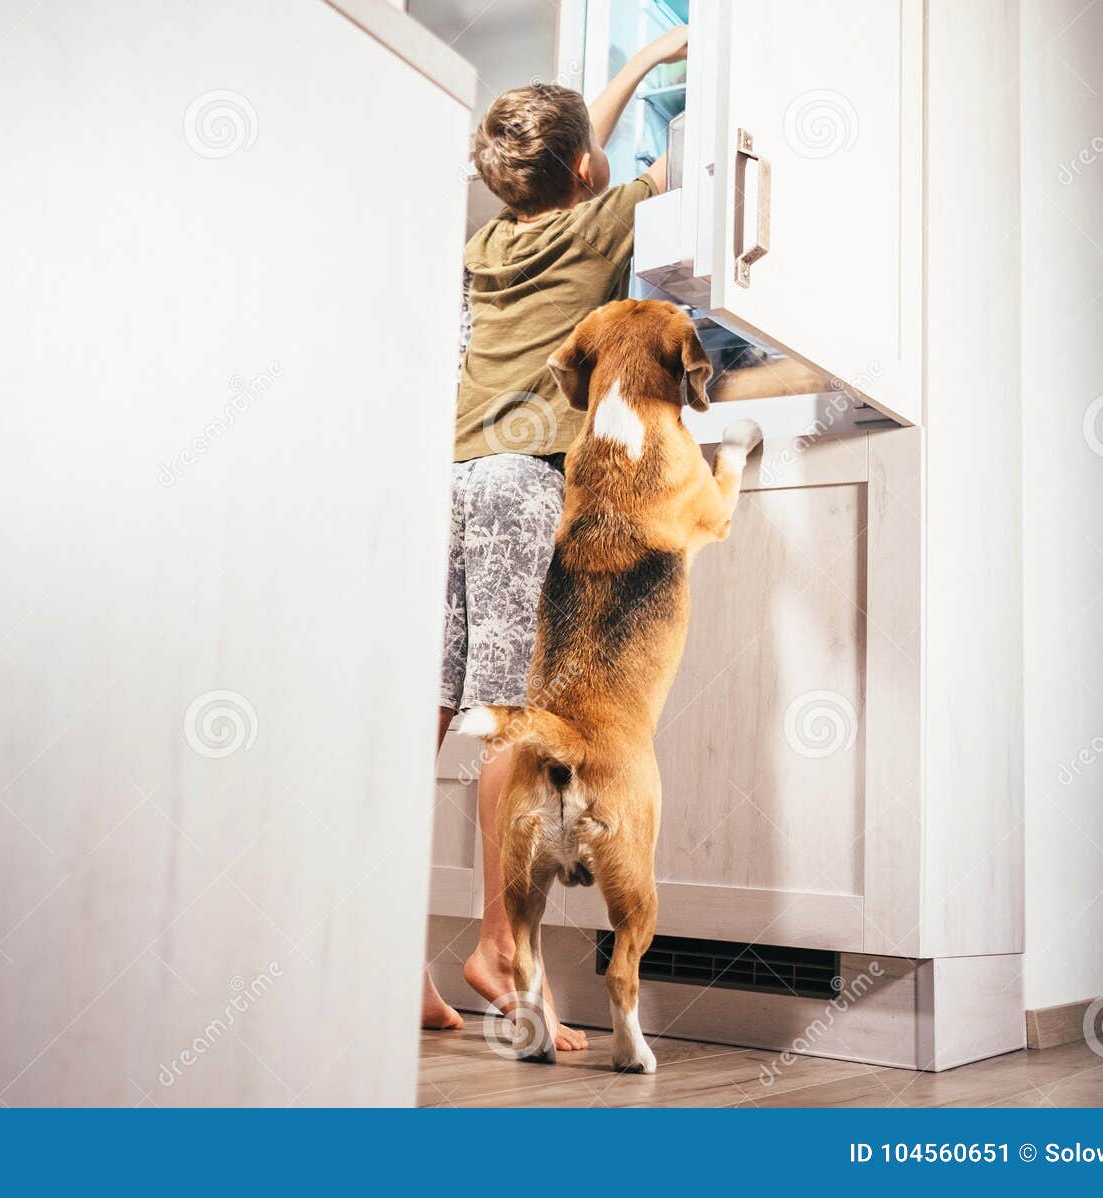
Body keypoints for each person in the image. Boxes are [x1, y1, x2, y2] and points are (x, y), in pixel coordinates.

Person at [423, 26, 689, 1052]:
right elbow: (688, 165)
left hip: (445, 481)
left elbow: (573, 157)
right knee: (511, 718)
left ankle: (393, 952)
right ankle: (500, 948)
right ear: (585, 171)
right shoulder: (605, 223)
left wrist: (634, 64)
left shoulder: (488, 243)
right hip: (517, 485)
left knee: (432, 709)